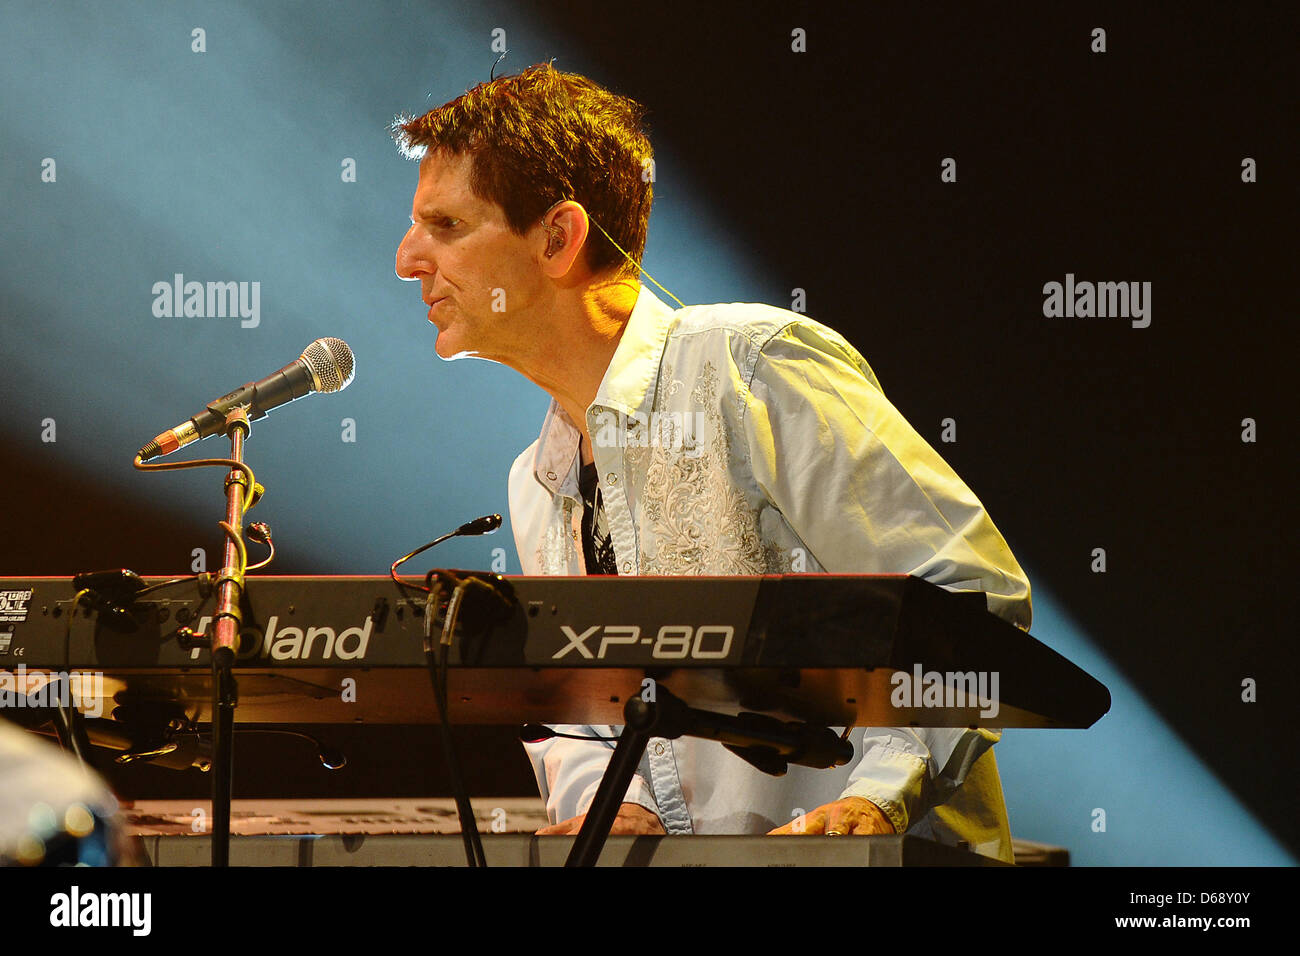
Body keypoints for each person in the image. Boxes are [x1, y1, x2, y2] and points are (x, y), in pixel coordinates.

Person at [393, 64, 1031, 860]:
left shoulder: (754, 368)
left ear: (558, 237)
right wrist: (611, 804)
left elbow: (969, 598)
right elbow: (579, 718)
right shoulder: (535, 480)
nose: (406, 259)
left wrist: (877, 800)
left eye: (445, 225)